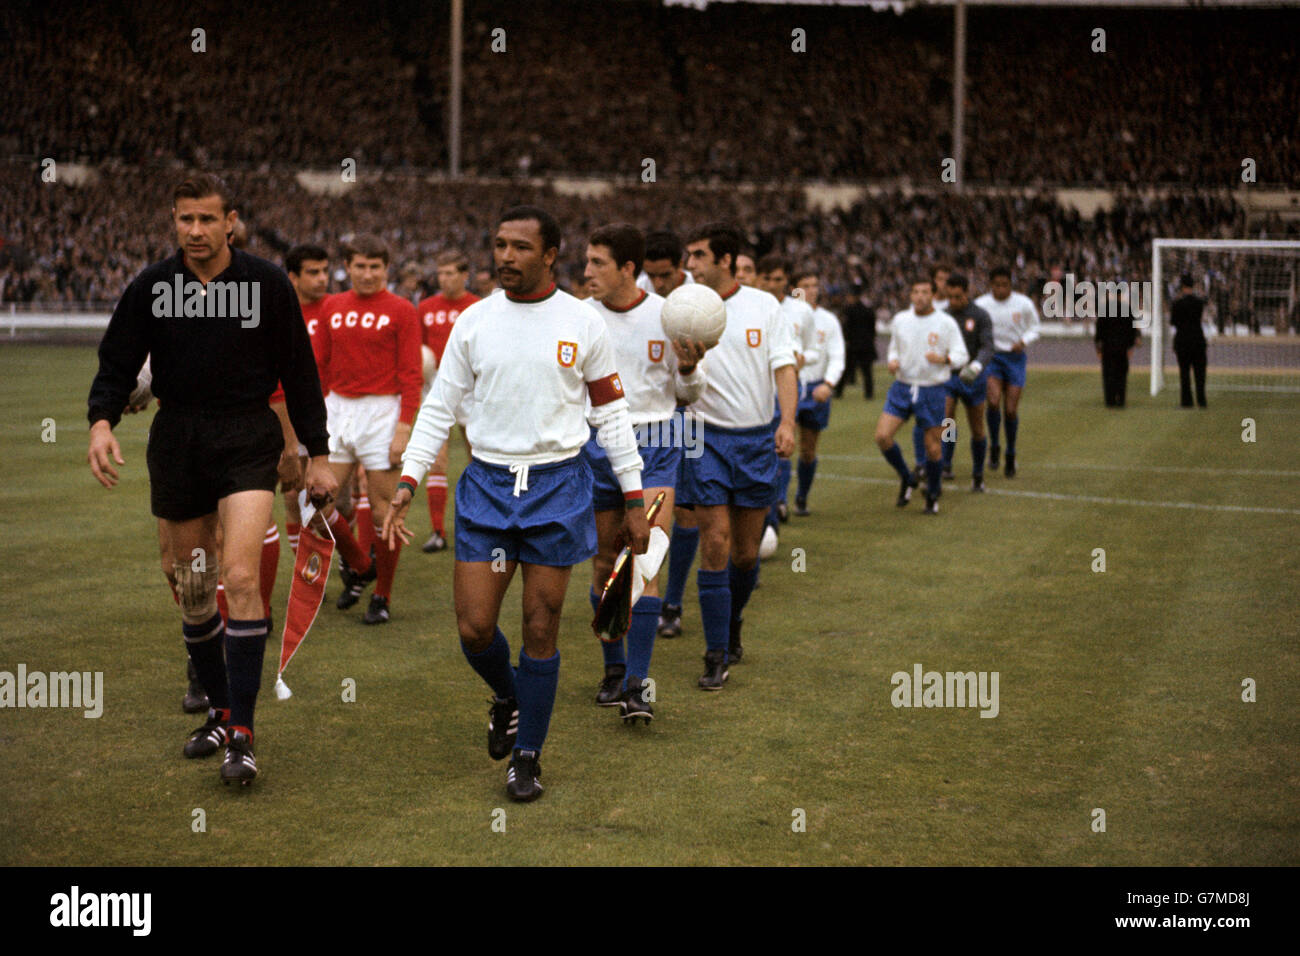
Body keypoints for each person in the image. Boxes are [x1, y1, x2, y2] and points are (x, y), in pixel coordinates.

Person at [382, 206, 650, 801]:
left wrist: (633, 496)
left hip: (558, 488)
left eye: (520, 247)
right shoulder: (474, 322)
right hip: (488, 489)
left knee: (540, 624)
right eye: (499, 244)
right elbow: (438, 407)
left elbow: (610, 413)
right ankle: (508, 694)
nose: (505, 256)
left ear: (550, 254)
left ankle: (527, 756)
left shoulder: (583, 323)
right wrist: (407, 481)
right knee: (475, 628)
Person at [86, 172, 337, 786]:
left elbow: (299, 373)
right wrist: (101, 422)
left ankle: (243, 733)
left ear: (232, 222)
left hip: (246, 437)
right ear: (174, 222)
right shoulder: (153, 286)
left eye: (207, 219)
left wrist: (319, 453)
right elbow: (118, 361)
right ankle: (221, 711)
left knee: (241, 574)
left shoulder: (267, 284)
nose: (195, 230)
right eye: (184, 219)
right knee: (192, 586)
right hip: (178, 440)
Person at [582, 223, 706, 720]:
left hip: (656, 439)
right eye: (586, 261)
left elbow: (689, 394)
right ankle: (613, 670)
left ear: (627, 269)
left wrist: (691, 367)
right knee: (601, 563)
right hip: (595, 442)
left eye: (597, 263)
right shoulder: (579, 317)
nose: (586, 272)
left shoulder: (668, 314)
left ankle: (637, 685)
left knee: (645, 556)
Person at [680, 223, 797, 682]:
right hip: (702, 437)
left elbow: (784, 367)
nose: (691, 265)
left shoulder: (764, 306)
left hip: (755, 440)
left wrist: (786, 421)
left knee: (746, 554)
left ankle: (731, 623)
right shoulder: (682, 308)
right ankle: (714, 655)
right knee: (715, 541)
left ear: (725, 261)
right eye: (689, 256)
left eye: (699, 255)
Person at [314, 237, 424, 624]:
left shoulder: (401, 310)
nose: (367, 273)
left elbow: (411, 373)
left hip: (382, 411)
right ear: (347, 266)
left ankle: (382, 595)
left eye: (375, 266)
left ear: (386, 269)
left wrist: (403, 427)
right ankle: (360, 562)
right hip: (338, 409)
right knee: (317, 501)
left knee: (384, 512)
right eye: (360, 266)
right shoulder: (332, 305)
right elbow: (321, 365)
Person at [873, 277, 968, 515]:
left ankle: (933, 494)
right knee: (883, 436)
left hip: (932, 389)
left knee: (933, 448)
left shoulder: (945, 323)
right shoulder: (901, 319)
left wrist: (945, 360)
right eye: (915, 291)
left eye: (925, 291)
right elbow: (894, 346)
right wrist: (893, 360)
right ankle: (907, 477)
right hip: (903, 387)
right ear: (910, 295)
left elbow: (961, 354)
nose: (920, 296)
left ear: (934, 295)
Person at [415, 250, 480, 553]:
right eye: (441, 273)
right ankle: (438, 532)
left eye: (451, 272)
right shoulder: (425, 308)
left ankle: (481, 522)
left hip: (471, 388)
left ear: (464, 274)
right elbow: (420, 350)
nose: (445, 278)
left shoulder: (478, 307)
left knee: (478, 456)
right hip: (437, 386)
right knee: (436, 460)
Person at [975, 266, 1040, 477]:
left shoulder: (1023, 304)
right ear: (990, 285)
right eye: (997, 285)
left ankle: (1010, 452)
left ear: (1010, 285)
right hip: (992, 358)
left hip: (1015, 359)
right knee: (993, 402)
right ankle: (994, 445)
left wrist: (1024, 340)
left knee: (1010, 410)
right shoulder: (981, 305)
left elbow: (1035, 328)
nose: (1001, 289)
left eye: (1005, 285)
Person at [790, 268, 845, 515]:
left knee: (807, 449)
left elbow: (837, 356)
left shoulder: (828, 320)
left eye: (814, 285)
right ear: (795, 290)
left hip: (815, 389)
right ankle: (778, 502)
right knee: (780, 446)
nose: (812, 290)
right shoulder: (781, 315)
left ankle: (801, 497)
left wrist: (829, 383)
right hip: (787, 385)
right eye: (805, 285)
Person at [937, 274, 995, 488]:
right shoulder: (942, 316)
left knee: (977, 427)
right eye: (950, 297)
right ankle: (946, 463)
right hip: (949, 376)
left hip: (973, 377)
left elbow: (988, 346)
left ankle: (978, 474)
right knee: (947, 419)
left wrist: (976, 366)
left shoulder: (980, 316)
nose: (953, 302)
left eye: (958, 297)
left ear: (966, 293)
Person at [1095, 290, 1139, 408]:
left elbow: (1099, 329)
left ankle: (1110, 400)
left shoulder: (1105, 309)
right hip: (1122, 347)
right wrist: (1130, 346)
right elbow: (1132, 329)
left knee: (1108, 373)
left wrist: (1098, 347)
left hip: (1108, 347)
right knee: (1121, 374)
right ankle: (1121, 400)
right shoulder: (1126, 308)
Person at [1170, 274, 1208, 408]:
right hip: (1198, 339)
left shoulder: (1177, 303)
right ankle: (1202, 401)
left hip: (1183, 341)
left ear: (1182, 286)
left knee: (1184, 373)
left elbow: (1173, 322)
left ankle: (1187, 402)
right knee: (1200, 373)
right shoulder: (1199, 303)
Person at [838, 292, 877, 399]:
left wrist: (847, 340)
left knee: (846, 370)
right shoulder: (868, 309)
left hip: (853, 345)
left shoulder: (848, 310)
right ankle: (869, 394)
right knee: (867, 372)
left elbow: (846, 328)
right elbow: (873, 329)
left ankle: (838, 392)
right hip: (866, 345)